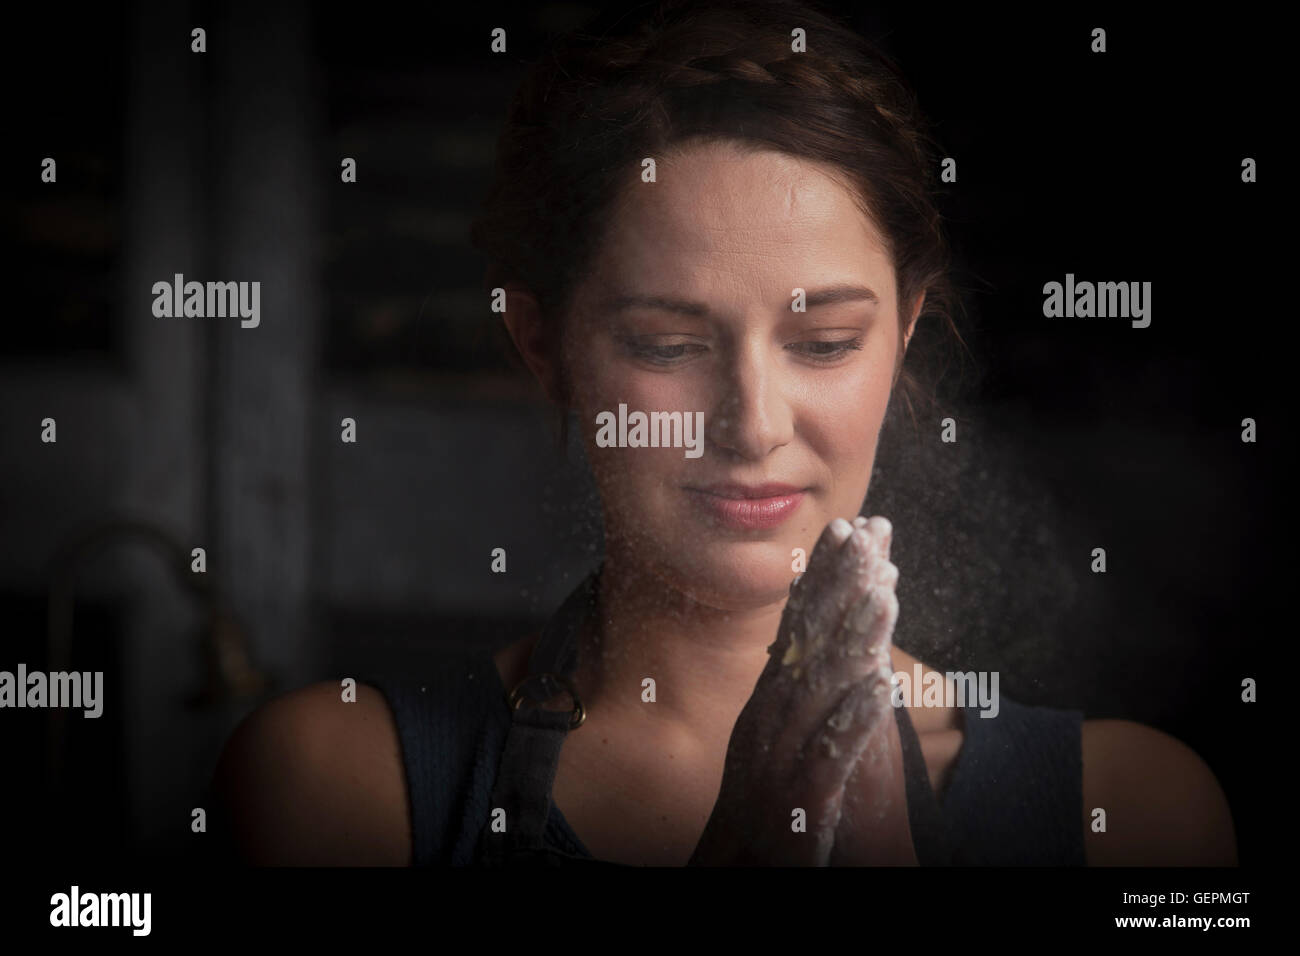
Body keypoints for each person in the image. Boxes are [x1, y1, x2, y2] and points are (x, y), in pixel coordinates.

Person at [210, 0, 1236, 866]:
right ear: (543, 343)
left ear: (906, 332)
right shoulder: (339, 789)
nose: (751, 423)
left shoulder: (1133, 814)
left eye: (825, 340)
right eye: (665, 344)